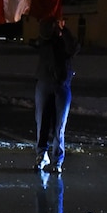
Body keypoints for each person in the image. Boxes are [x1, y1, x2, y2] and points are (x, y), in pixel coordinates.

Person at [34, 16, 79, 174]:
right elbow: (43, 35)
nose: (59, 23)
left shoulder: (66, 40)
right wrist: (50, 24)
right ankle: (42, 155)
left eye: (61, 20)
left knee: (59, 127)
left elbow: (73, 48)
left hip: (62, 85)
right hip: (45, 83)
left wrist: (63, 31)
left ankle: (57, 159)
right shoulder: (46, 38)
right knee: (42, 122)